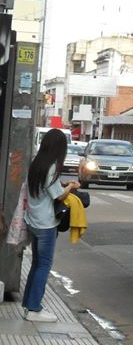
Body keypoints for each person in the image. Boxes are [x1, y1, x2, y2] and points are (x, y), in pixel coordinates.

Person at [21, 129, 80, 323]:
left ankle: (29, 306)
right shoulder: (51, 167)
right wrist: (72, 186)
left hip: (33, 220)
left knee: (37, 265)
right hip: (46, 224)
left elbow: (46, 188)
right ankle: (34, 309)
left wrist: (63, 183)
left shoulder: (36, 164)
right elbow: (59, 196)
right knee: (43, 266)